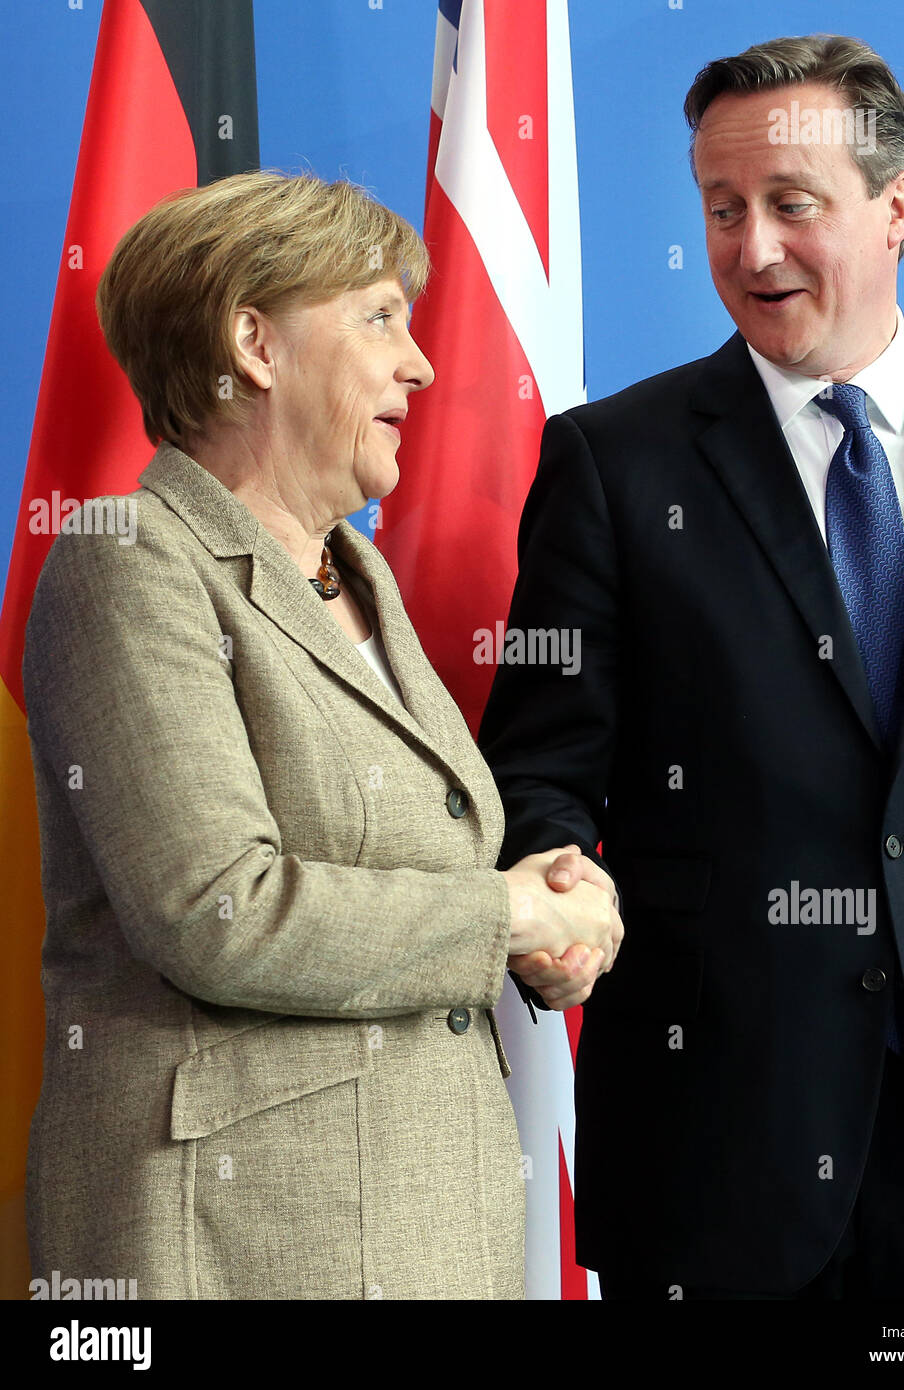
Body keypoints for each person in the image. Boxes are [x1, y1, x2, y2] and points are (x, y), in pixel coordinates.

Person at [479, 34, 904, 1299]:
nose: (750, 250)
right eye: (722, 208)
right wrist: (554, 880)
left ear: (896, 206)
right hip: (718, 1147)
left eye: (793, 205)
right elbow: (537, 764)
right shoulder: (613, 465)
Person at [22, 170, 621, 1301]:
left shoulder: (359, 574)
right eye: (380, 317)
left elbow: (400, 857)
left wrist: (540, 916)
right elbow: (218, 908)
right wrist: (499, 913)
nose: (423, 362)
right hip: (239, 1239)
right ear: (252, 341)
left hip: (420, 1218)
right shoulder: (131, 557)